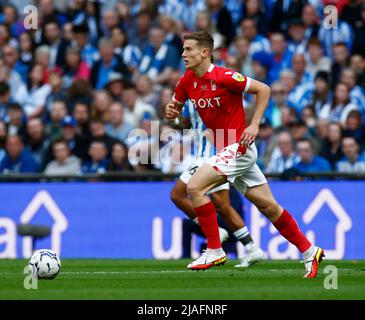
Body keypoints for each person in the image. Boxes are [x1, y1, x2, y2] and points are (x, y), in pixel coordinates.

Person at [165, 31, 324, 278]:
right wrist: (171, 111)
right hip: (223, 150)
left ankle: (215, 248)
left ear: (204, 52)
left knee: (195, 187)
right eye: (183, 49)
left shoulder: (225, 76)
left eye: (189, 49)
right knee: (269, 207)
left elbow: (264, 90)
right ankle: (309, 250)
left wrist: (254, 124)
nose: (183, 54)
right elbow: (175, 113)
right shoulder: (186, 81)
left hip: (239, 148)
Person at [171, 100, 267, 268]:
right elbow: (186, 124)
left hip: (211, 156)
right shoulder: (190, 100)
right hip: (205, 156)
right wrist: (176, 115)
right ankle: (252, 248)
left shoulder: (211, 96)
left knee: (178, 195)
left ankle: (216, 233)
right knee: (223, 206)